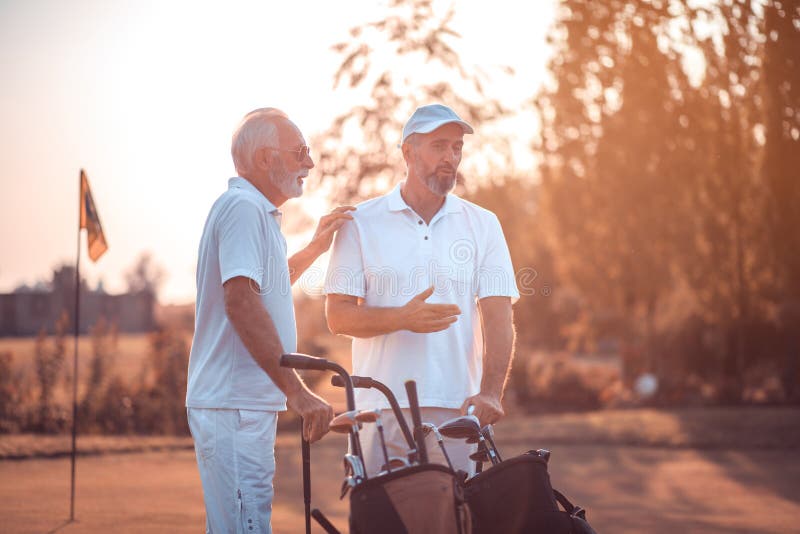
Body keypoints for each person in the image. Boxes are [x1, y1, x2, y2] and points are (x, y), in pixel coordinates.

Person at [324, 103, 518, 476]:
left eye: (457, 148)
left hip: (460, 409)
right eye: (439, 146)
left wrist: (491, 392)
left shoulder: (484, 224)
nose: (450, 157)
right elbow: (338, 316)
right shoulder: (360, 222)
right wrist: (402, 318)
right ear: (408, 152)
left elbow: (499, 317)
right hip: (378, 409)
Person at [186, 107, 353, 533]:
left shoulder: (253, 212)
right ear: (264, 159)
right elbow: (240, 302)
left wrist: (315, 247)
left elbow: (266, 285)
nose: (309, 164)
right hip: (235, 404)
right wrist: (297, 394)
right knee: (245, 526)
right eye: (300, 152)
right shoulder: (243, 208)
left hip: (240, 404)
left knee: (241, 523)